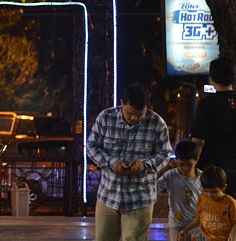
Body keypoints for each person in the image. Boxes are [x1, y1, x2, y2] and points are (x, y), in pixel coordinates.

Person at [87, 83, 171, 241]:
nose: (134, 118)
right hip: (108, 195)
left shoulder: (157, 123)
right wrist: (111, 162)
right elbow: (91, 146)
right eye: (129, 113)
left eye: (139, 115)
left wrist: (144, 165)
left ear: (147, 107)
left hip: (140, 198)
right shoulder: (105, 117)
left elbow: (165, 154)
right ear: (122, 103)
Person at [192, 57, 236, 198]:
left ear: (212, 79)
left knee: (215, 215)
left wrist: (192, 167)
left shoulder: (207, 104)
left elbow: (198, 142)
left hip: (213, 172)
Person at [156, 140, 202, 241]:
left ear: (196, 160)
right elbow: (154, 188)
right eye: (181, 165)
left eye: (189, 165)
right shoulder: (170, 176)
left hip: (197, 223)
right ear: (176, 160)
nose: (185, 169)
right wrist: (165, 168)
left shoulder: (201, 178)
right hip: (177, 224)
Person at [179, 165, 236, 241]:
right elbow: (199, 218)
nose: (210, 195)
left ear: (223, 187)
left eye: (214, 192)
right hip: (204, 237)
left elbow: (235, 224)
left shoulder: (230, 203)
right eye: (206, 191)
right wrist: (186, 229)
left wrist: (233, 237)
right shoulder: (202, 198)